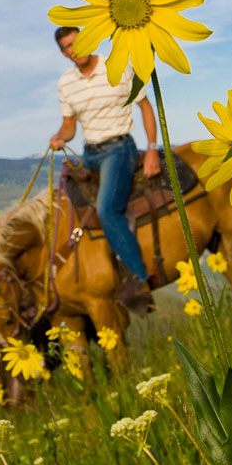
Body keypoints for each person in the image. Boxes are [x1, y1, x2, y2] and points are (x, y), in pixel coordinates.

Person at [48, 25, 162, 297]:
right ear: (63, 54)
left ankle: (140, 276)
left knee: (106, 210)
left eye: (78, 42)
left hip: (119, 148)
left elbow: (145, 107)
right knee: (67, 207)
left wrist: (153, 149)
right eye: (67, 47)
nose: (74, 50)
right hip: (90, 152)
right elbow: (70, 127)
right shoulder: (66, 83)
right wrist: (59, 137)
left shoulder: (118, 66)